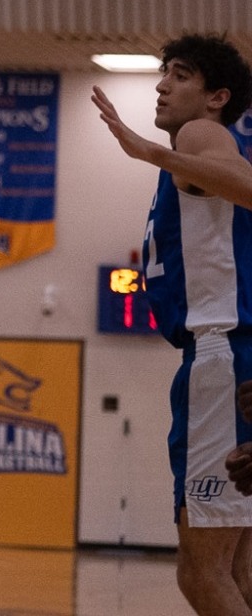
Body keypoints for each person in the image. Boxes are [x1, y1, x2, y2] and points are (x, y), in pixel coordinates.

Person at [93, 35, 252, 616]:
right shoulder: (199, 147)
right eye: (164, 74)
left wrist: (151, 152)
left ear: (217, 97)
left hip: (223, 356)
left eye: (181, 76)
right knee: (238, 571)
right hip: (238, 357)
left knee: (200, 573)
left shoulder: (199, 135)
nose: (162, 85)